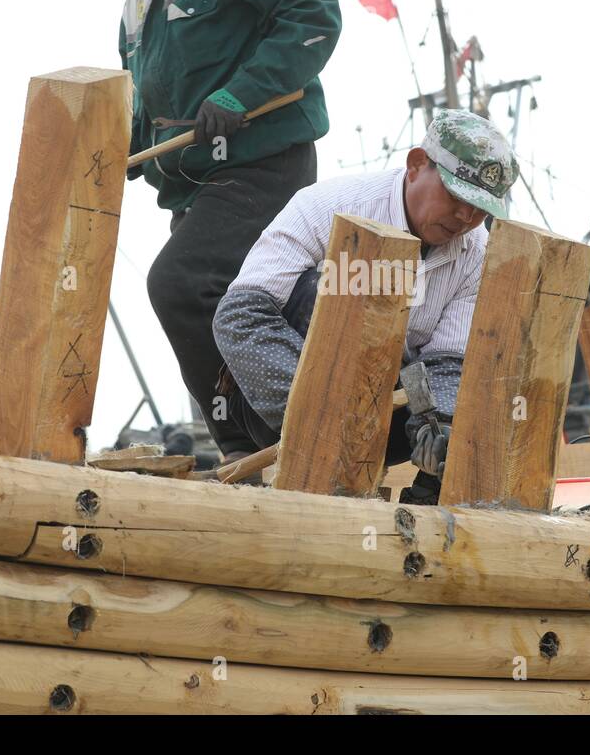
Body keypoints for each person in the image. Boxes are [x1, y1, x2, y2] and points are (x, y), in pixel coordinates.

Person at [92, 0, 342, 465]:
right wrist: (123, 152)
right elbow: (145, 91)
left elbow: (314, 16)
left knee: (181, 284)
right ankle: (288, 441)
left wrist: (243, 93)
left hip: (260, 164)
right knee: (243, 304)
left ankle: (248, 448)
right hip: (192, 185)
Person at [212, 110, 518, 505]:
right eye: (456, 197)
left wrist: (438, 425)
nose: (466, 217)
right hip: (275, 406)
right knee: (324, 285)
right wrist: (316, 412)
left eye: (480, 209)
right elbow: (240, 316)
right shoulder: (328, 205)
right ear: (415, 165)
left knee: (486, 376)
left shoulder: (476, 254)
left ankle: (426, 510)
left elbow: (447, 363)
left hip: (384, 417)